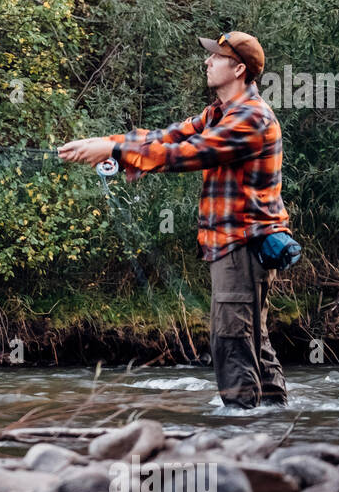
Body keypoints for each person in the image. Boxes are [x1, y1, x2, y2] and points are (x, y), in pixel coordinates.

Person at [57, 31, 290, 408]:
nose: (207, 61)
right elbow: (167, 137)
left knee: (231, 338)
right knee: (250, 336)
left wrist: (116, 149)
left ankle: (243, 427)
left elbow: (188, 153)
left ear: (240, 69)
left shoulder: (252, 117)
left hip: (243, 244)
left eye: (216, 57)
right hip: (233, 246)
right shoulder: (218, 113)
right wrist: (105, 143)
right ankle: (272, 418)